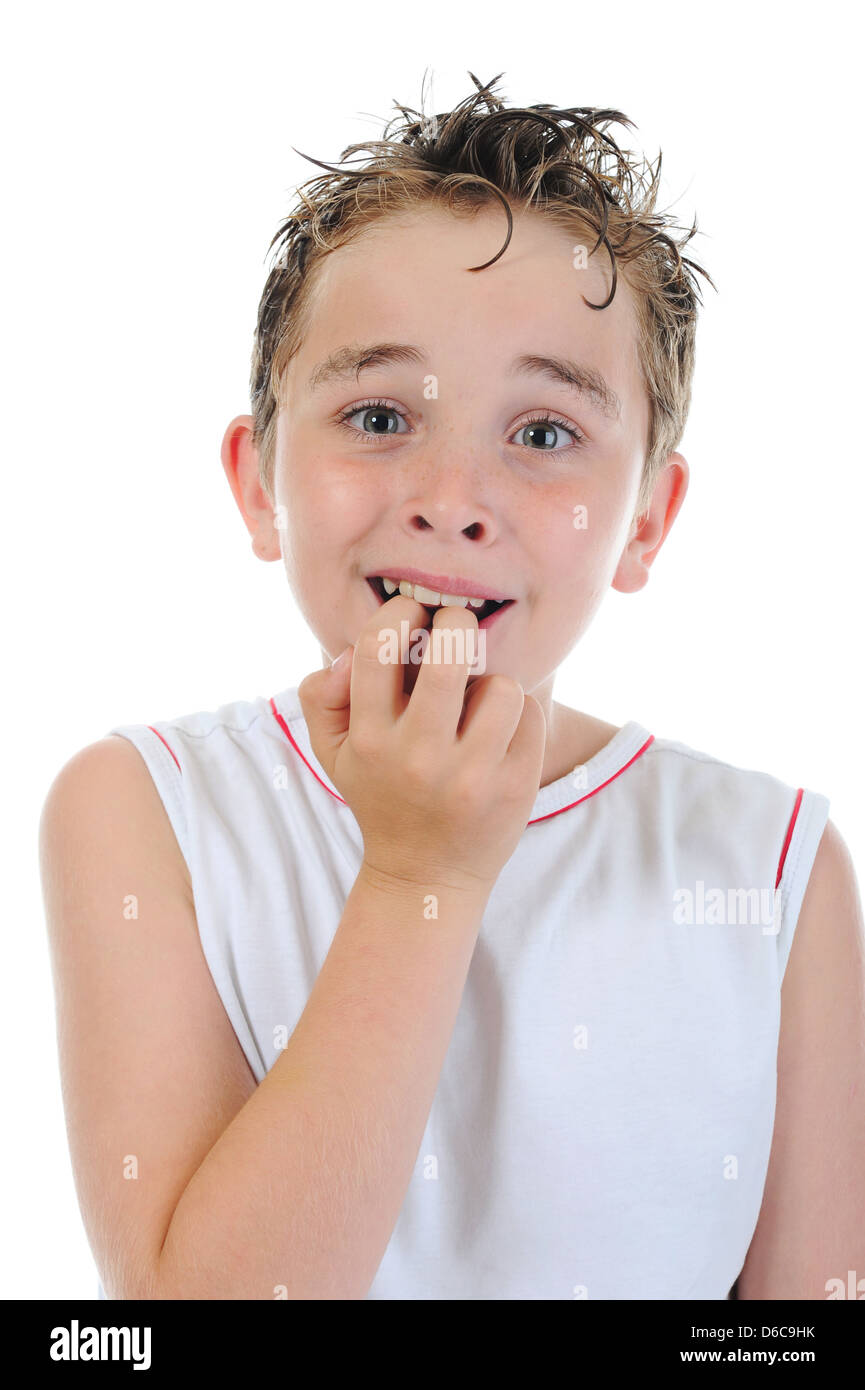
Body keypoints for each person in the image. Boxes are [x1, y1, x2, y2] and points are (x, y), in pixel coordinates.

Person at [39, 72, 865, 1301]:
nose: (448, 496)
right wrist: (420, 872)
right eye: (377, 414)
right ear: (260, 483)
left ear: (646, 521)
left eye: (540, 435)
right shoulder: (142, 808)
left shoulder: (772, 862)